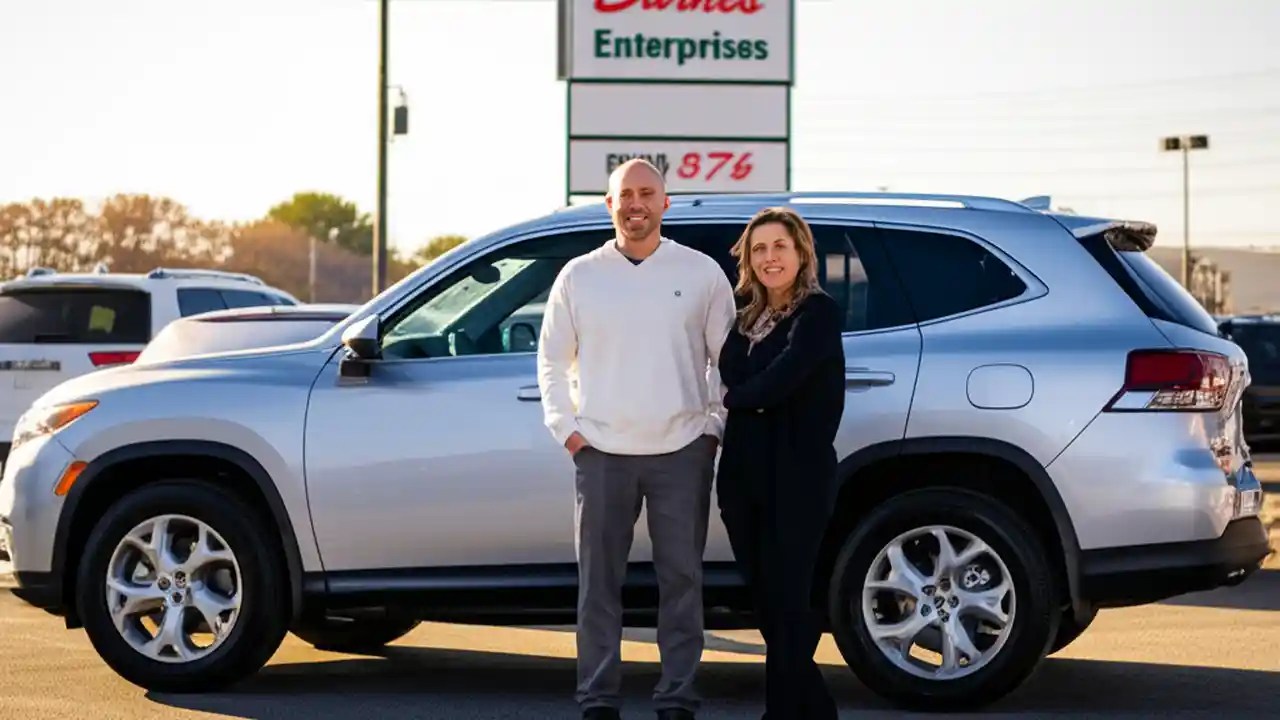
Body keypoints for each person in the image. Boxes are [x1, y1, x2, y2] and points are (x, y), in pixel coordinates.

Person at [537, 158, 738, 720]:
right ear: (609, 204)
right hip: (601, 454)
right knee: (599, 586)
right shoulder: (579, 277)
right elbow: (551, 363)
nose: (636, 205)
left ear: (665, 203)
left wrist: (711, 431)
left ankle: (678, 695)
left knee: (681, 581)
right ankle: (598, 696)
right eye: (625, 194)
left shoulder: (701, 273)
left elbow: (725, 363)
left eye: (647, 193)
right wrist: (570, 433)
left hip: (681, 452)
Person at [715, 207, 845, 720]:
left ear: (801, 253)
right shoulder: (745, 314)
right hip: (743, 477)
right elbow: (740, 375)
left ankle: (782, 713)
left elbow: (780, 379)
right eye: (760, 248)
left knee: (789, 599)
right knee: (768, 604)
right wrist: (751, 395)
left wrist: (739, 397)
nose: (770, 258)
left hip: (797, 478)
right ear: (749, 258)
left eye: (780, 247)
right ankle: (815, 709)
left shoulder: (818, 313)